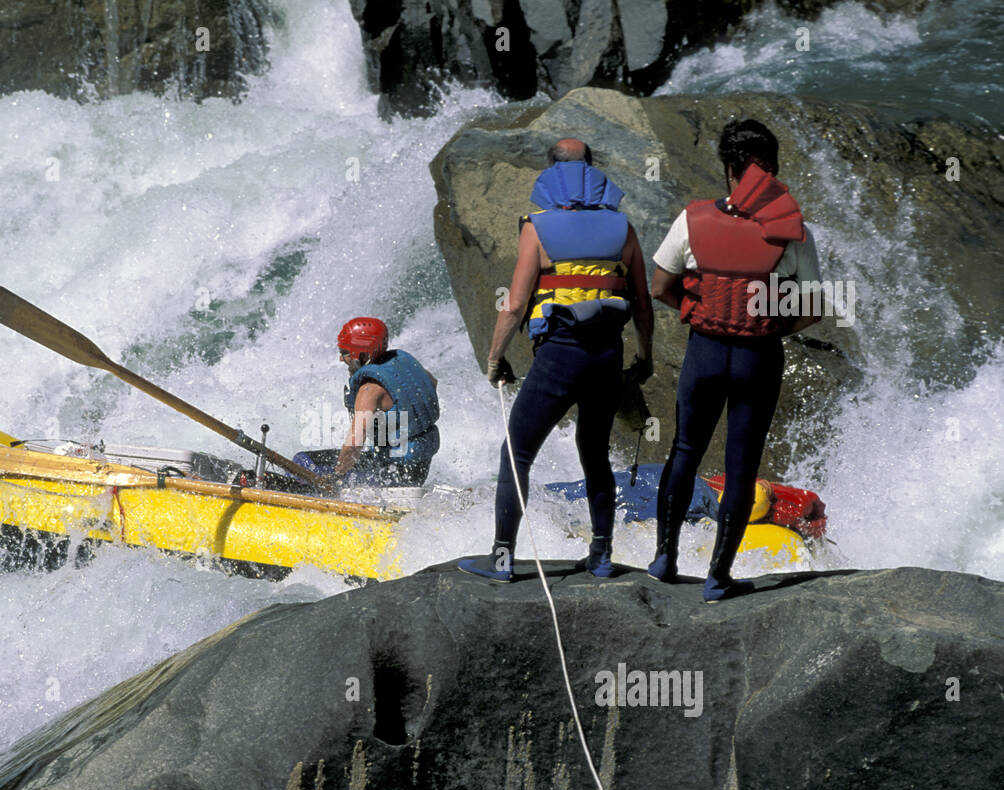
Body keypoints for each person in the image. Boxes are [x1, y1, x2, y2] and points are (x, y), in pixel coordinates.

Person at [459, 138, 654, 581]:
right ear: (595, 171)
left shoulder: (538, 228)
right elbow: (642, 303)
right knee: (594, 453)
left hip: (559, 356)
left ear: (550, 174)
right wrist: (645, 359)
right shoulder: (623, 229)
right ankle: (601, 555)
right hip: (607, 354)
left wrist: (495, 359)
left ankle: (503, 557)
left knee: (516, 453)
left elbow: (514, 304)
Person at [648, 118, 824, 601]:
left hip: (704, 353)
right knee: (742, 467)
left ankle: (665, 557)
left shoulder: (692, 219)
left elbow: (660, 286)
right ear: (773, 168)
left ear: (729, 169)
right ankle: (717, 577)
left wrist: (702, 312)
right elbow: (812, 308)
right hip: (757, 359)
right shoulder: (796, 231)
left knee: (685, 449)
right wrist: (767, 326)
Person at [292, 317, 440, 488]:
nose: (341, 358)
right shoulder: (403, 364)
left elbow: (353, 446)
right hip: (418, 469)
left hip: (391, 475)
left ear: (362, 355)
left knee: (302, 461)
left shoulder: (369, 390)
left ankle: (307, 496)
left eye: (344, 352)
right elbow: (432, 383)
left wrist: (337, 476)